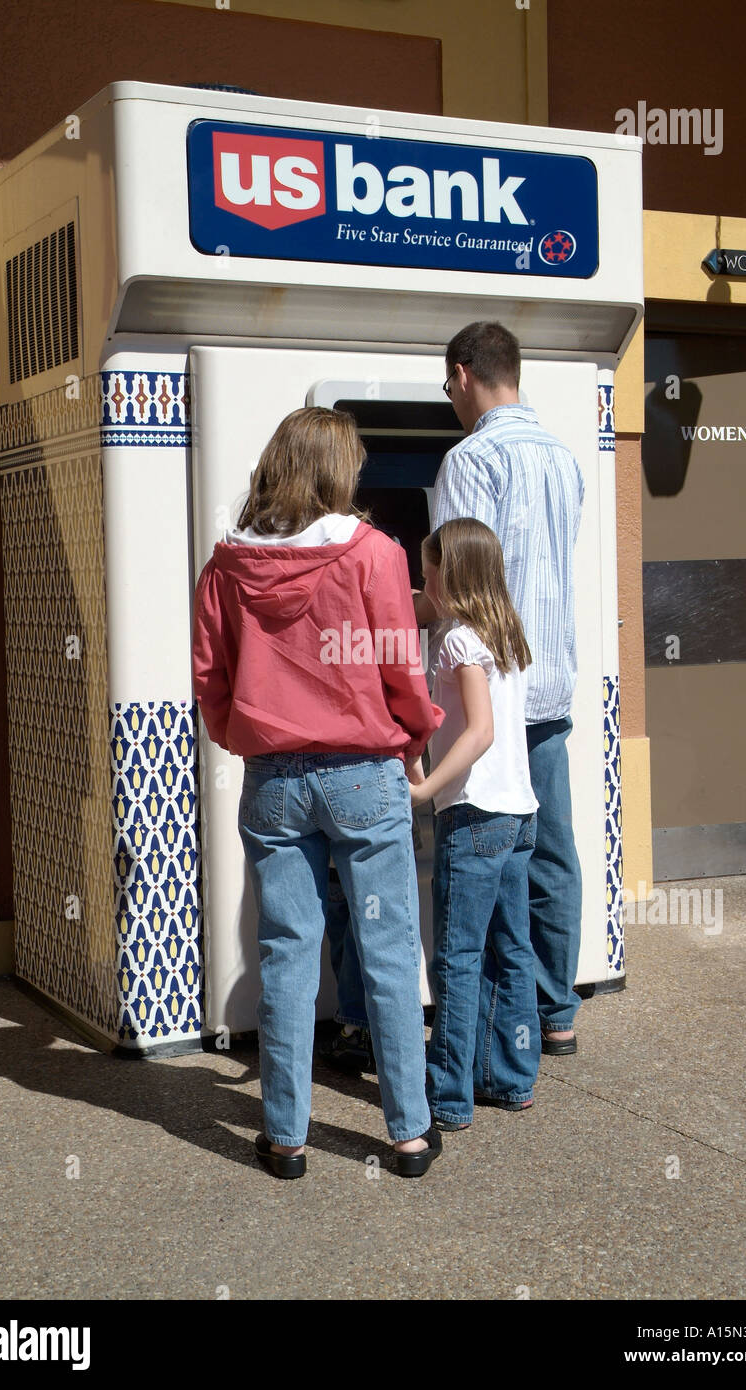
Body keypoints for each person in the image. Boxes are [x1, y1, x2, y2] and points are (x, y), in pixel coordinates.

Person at [192, 406, 444, 1179]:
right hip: (364, 775)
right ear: (338, 470)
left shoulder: (226, 565)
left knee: (288, 954)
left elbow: (210, 678)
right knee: (391, 952)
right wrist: (414, 736)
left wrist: (253, 738)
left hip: (275, 782)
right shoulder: (373, 555)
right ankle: (406, 1135)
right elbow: (402, 667)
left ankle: (286, 1139)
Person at [326, 320, 584, 1066]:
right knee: (547, 859)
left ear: (465, 373)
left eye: (447, 386)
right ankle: (550, 1017)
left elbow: (453, 585)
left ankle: (465, 1045)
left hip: (482, 701)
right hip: (548, 683)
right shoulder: (565, 458)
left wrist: (384, 608)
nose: (450, 400)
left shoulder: (471, 459)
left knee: (470, 877)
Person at [407, 519, 539, 1129]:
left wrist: (428, 787)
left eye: (427, 569)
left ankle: (449, 1097)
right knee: (511, 949)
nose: (420, 579)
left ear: (449, 574)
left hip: (475, 812)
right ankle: (510, 1078)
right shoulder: (504, 631)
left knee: (458, 958)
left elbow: (479, 730)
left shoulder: (458, 639)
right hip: (519, 812)